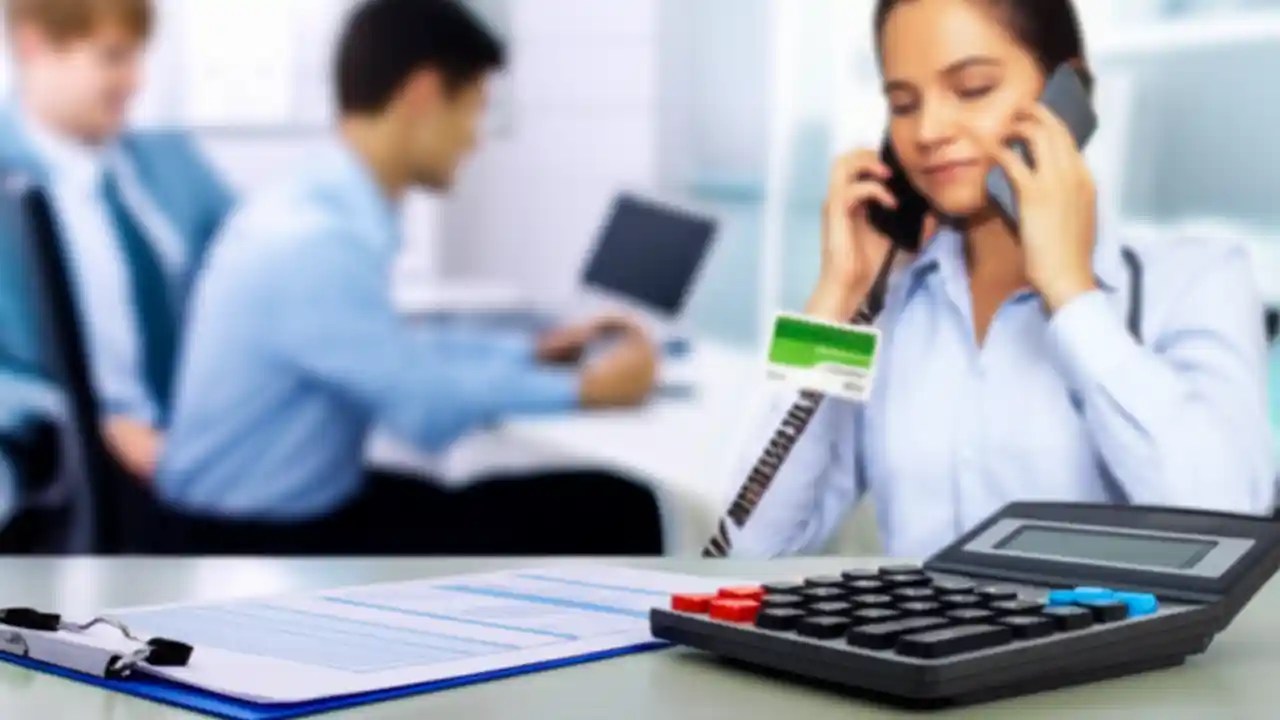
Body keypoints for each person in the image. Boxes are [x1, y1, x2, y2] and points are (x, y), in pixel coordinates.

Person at [715, 0, 1276, 560]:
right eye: (904, 104)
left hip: (1102, 651)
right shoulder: (894, 308)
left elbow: (1229, 526)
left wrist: (1070, 292)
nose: (929, 131)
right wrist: (837, 299)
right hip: (917, 645)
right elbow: (747, 549)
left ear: (1069, 93)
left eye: (973, 88)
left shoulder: (1198, 279)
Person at [154, 0, 662, 555]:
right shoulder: (314, 242)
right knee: (618, 508)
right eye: (473, 109)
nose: (476, 139)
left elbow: (396, 353)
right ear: (422, 95)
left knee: (557, 501)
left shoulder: (312, 207)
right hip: (253, 541)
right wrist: (590, 389)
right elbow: (426, 410)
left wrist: (532, 354)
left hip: (268, 512)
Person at [0, 0, 234, 550]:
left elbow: (252, 272)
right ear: (35, 47)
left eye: (137, 58)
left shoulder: (168, 163)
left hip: (177, 458)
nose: (135, 81)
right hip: (54, 460)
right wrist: (84, 423)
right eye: (112, 58)